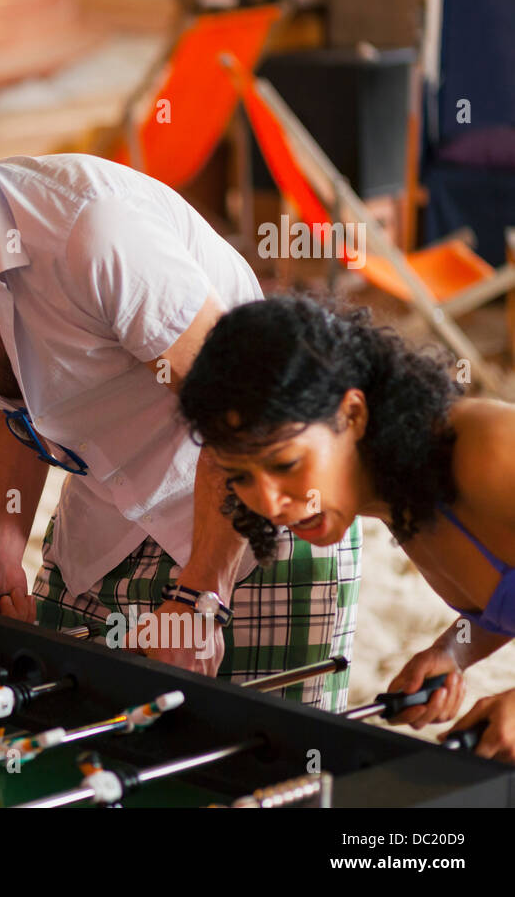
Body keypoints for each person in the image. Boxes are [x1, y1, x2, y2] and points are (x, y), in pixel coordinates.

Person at [0, 39, 361, 709]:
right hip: (105, 515)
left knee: (265, 769)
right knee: (71, 739)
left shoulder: (93, 235)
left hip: (264, 512)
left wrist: (201, 594)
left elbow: (244, 421)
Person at [178, 294, 515, 762]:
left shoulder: (487, 450)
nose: (271, 503)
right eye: (242, 477)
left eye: (286, 463)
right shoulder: (400, 492)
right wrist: (453, 653)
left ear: (352, 414)